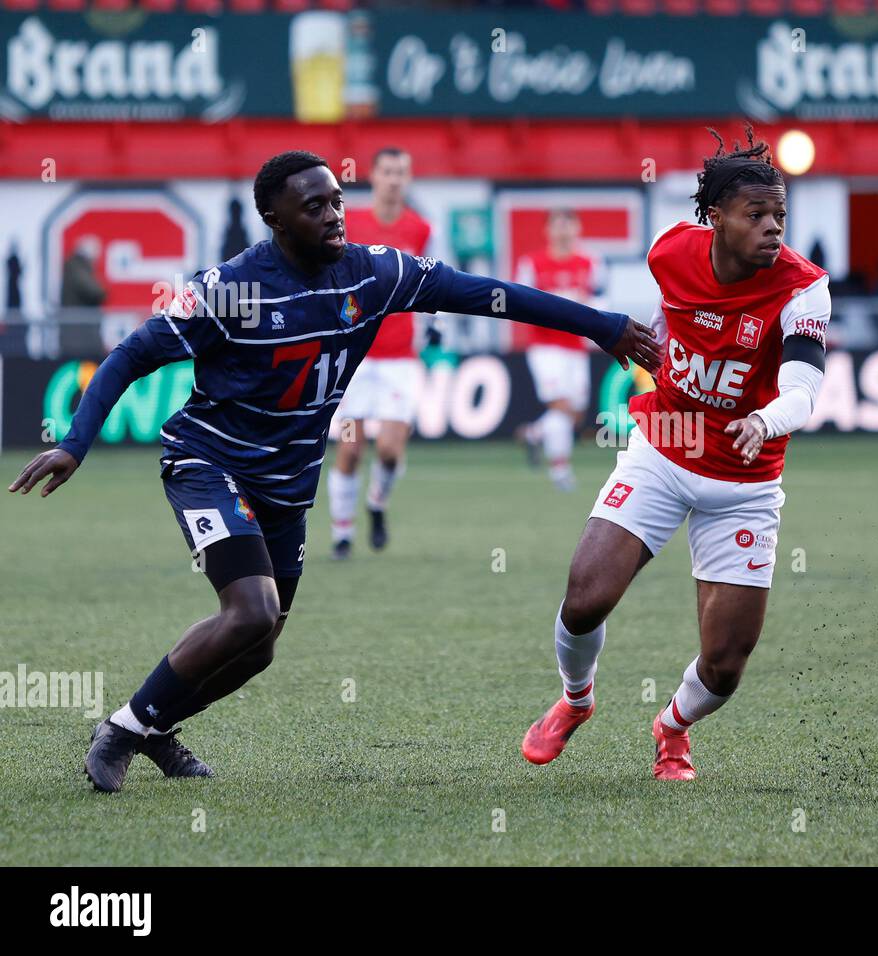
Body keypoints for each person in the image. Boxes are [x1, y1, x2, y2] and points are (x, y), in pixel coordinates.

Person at [8, 150, 660, 793]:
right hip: (208, 464)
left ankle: (156, 729)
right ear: (274, 217)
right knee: (250, 612)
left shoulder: (373, 274)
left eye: (337, 201)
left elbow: (490, 297)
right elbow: (129, 356)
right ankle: (122, 732)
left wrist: (600, 325)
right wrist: (75, 442)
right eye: (313, 205)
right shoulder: (229, 290)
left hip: (288, 486)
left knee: (259, 645)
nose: (333, 215)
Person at [520, 129, 831, 780]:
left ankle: (672, 726)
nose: (774, 228)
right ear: (715, 219)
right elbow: (673, 319)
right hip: (665, 448)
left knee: (725, 665)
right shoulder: (669, 252)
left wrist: (764, 420)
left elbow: (804, 387)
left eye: (780, 215)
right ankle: (576, 701)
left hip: (745, 479)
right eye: (757, 215)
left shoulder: (804, 289)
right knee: (584, 597)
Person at [327, 147, 433, 557]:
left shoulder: (420, 229)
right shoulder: (348, 223)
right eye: (387, 171)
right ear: (373, 176)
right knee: (350, 448)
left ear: (408, 178)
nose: (394, 179)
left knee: (389, 450)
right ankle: (342, 533)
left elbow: (433, 279)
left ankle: (376, 503)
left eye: (401, 172)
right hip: (355, 356)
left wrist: (436, 323)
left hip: (400, 360)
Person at [515, 209, 606, 491]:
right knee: (562, 406)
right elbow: (519, 301)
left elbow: (602, 298)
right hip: (545, 347)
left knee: (575, 413)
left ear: (577, 229)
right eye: (558, 225)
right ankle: (560, 470)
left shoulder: (590, 262)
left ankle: (534, 432)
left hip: (575, 346)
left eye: (568, 225)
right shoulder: (532, 263)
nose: (563, 231)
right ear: (548, 230)